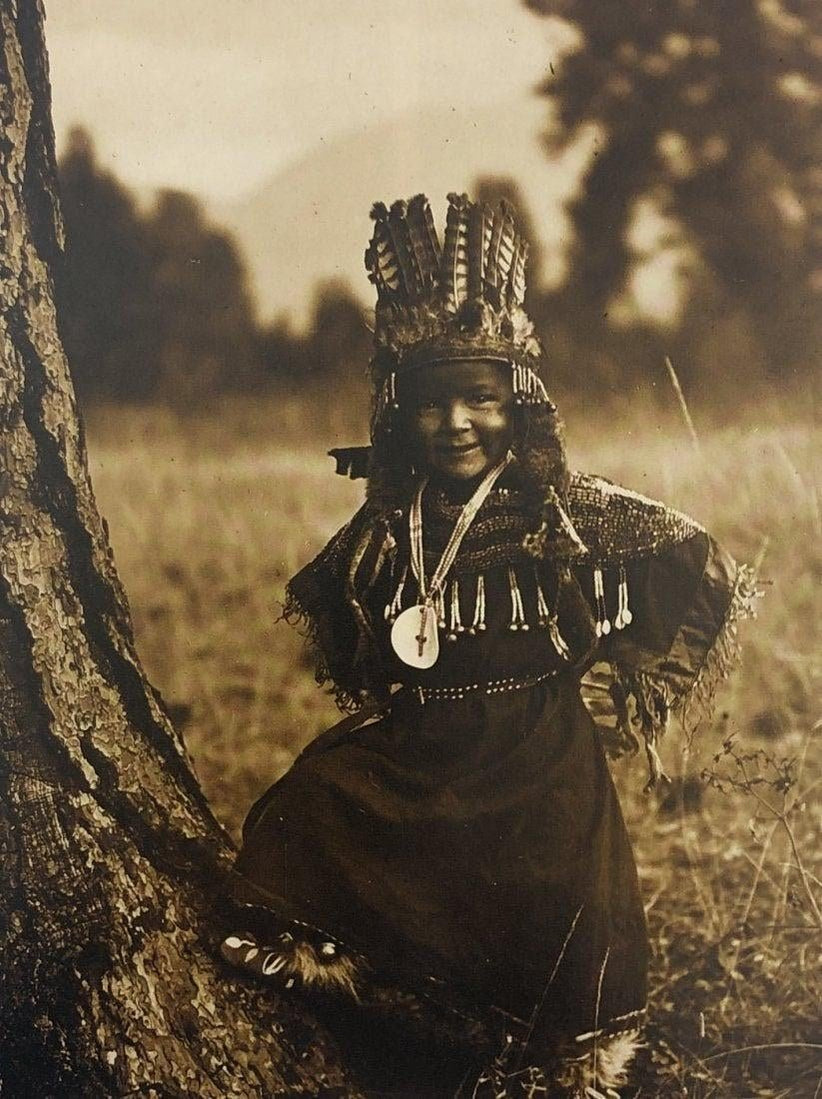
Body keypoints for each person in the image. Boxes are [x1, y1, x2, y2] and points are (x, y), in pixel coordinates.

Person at [220, 194, 757, 1095]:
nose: (457, 423)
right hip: (422, 743)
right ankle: (337, 964)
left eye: (480, 399)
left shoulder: (561, 510)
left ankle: (569, 1058)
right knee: (311, 800)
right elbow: (337, 609)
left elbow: (695, 563)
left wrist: (627, 681)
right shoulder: (391, 521)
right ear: (401, 414)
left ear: (520, 404)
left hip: (538, 756)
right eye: (432, 405)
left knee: (559, 909)